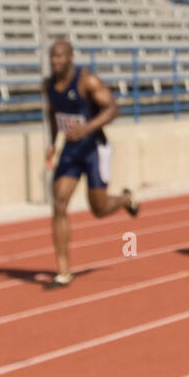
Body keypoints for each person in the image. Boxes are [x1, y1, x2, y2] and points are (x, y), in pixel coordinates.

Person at [43, 39, 136, 290]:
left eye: (60, 56)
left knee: (99, 208)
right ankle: (63, 272)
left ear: (71, 57)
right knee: (59, 202)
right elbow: (52, 113)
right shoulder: (48, 85)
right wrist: (53, 143)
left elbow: (114, 109)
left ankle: (125, 200)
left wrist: (86, 128)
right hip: (71, 152)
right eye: (52, 56)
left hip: (95, 149)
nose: (55, 61)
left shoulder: (87, 81)